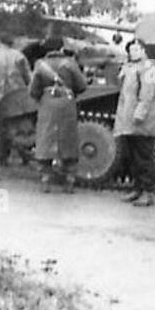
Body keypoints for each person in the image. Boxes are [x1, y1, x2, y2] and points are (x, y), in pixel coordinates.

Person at [29, 36, 91, 193]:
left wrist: (43, 98)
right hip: (67, 104)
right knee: (68, 139)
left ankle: (45, 179)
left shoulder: (40, 64)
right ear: (61, 48)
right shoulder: (70, 63)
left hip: (47, 104)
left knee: (45, 139)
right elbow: (82, 85)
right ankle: (69, 180)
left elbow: (33, 90)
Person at [114, 38, 155, 207]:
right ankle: (137, 188)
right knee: (132, 157)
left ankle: (148, 192)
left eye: (136, 49)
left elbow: (148, 94)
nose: (133, 52)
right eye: (131, 49)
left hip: (142, 120)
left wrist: (139, 114)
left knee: (143, 157)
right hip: (129, 120)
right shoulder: (130, 67)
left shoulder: (150, 66)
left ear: (143, 50)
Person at [0, 31, 33, 167]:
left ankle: (2, 159)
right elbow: (28, 77)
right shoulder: (19, 56)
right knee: (20, 128)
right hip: (18, 96)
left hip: (0, 96)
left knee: (2, 129)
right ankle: (25, 155)